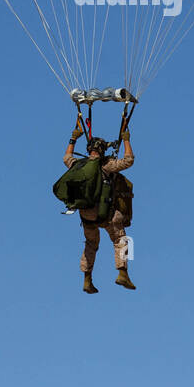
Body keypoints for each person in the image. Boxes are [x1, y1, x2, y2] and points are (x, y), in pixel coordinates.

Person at [63, 124, 135, 293]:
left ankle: (87, 280)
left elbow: (66, 157)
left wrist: (73, 138)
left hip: (86, 215)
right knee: (120, 240)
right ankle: (122, 273)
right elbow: (128, 160)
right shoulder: (106, 165)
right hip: (107, 215)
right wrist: (126, 140)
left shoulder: (79, 165)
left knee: (90, 244)